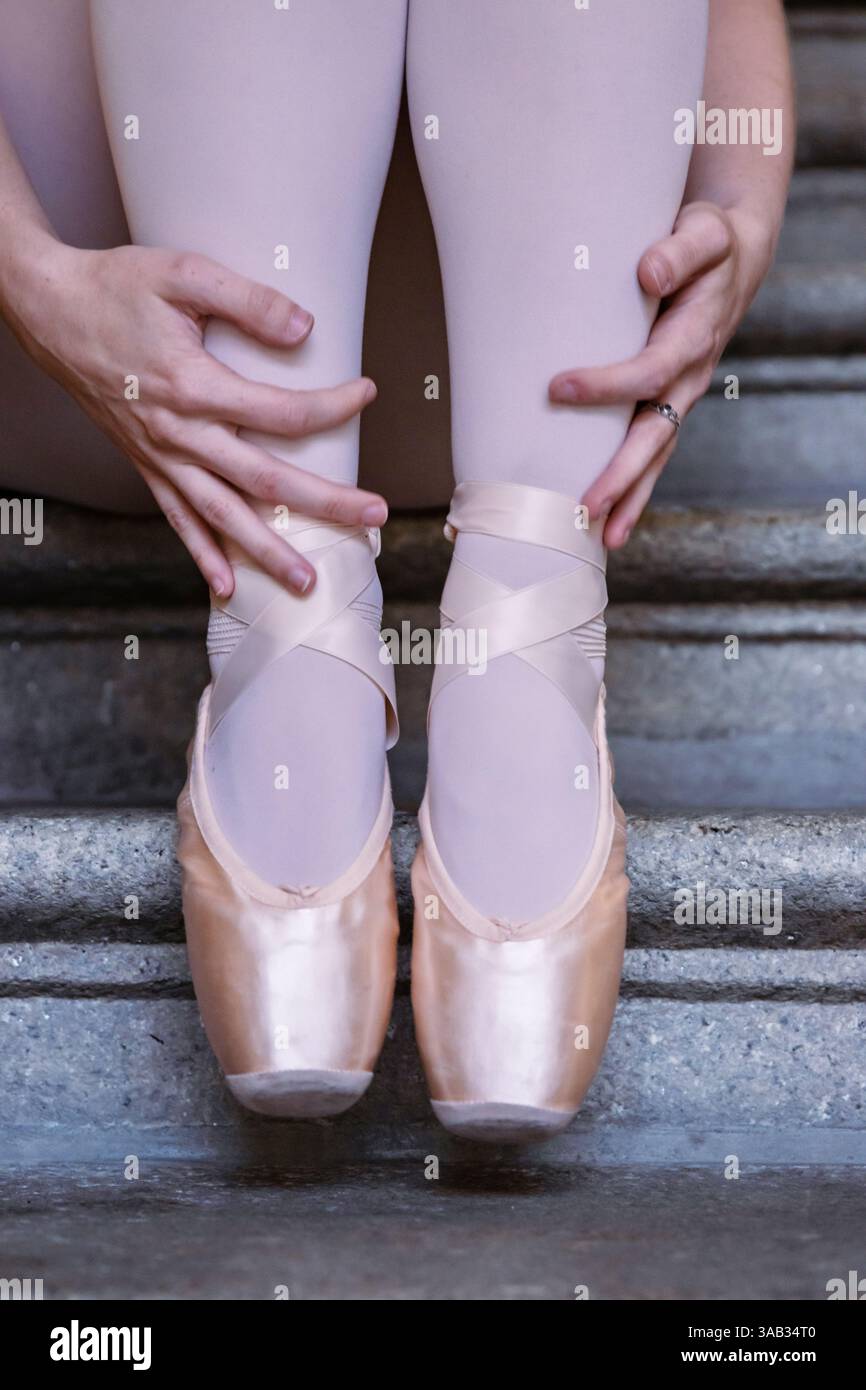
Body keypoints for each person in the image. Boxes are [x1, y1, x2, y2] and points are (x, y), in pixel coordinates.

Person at [0, 0, 793, 1141]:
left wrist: (742, 205)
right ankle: (307, 640)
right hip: (103, 313)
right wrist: (29, 277)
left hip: (522, 347)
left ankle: (512, 626)